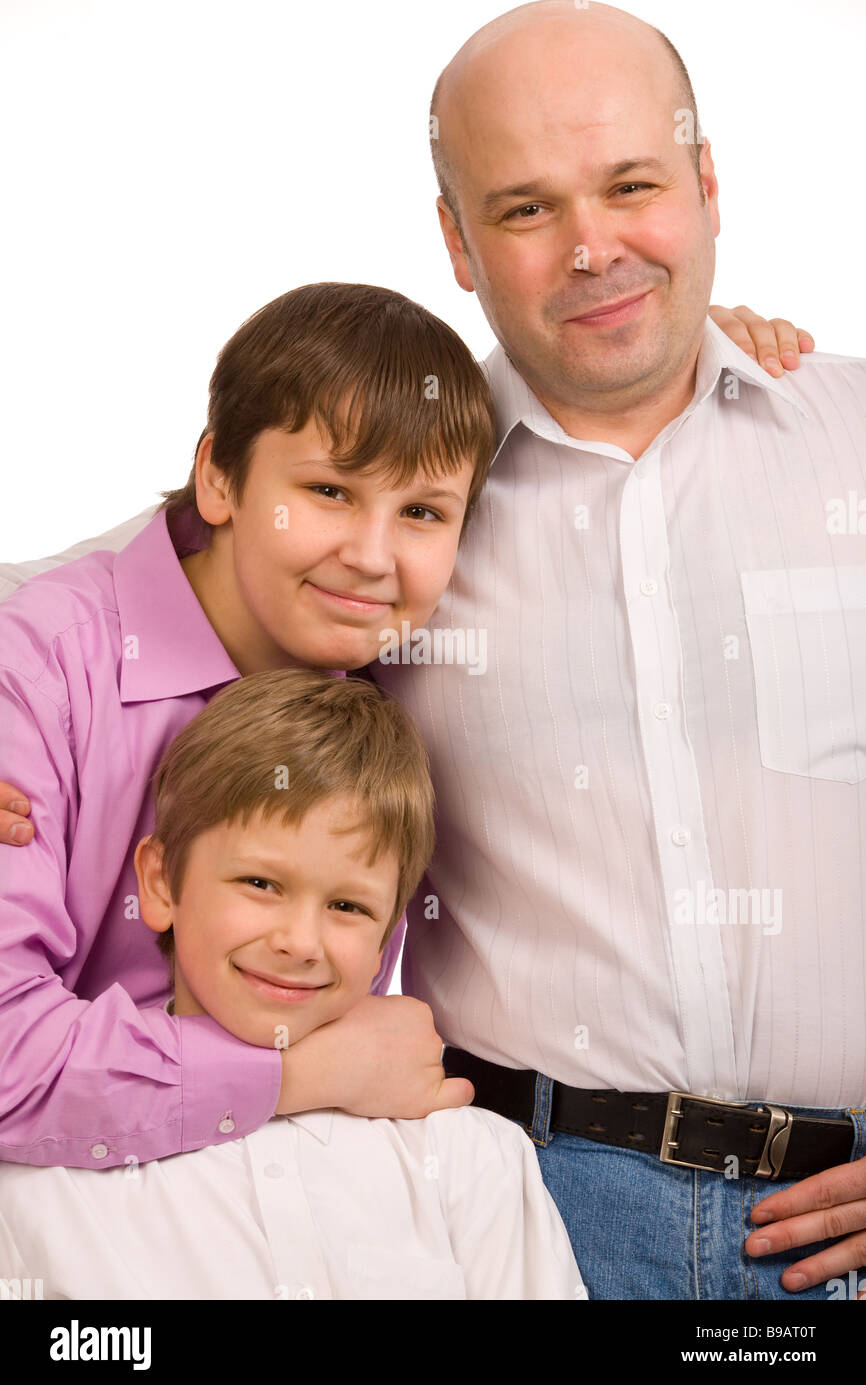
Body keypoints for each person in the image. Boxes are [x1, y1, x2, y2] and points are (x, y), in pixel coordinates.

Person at [0, 3, 839, 1301]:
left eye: (630, 187)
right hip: (456, 1196)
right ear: (455, 238)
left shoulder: (832, 443)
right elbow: (147, 572)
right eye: (523, 208)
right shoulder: (375, 501)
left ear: (704, 181)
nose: (592, 248)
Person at [0, 281, 485, 1171]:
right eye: (330, 491)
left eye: (421, 512)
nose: (373, 558)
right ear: (219, 476)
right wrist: (299, 1071)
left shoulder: (406, 681)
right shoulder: (40, 670)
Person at [0, 667, 582, 1299]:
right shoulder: (42, 1177)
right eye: (260, 884)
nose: (300, 943)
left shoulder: (474, 1159)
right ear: (163, 883)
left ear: (390, 931)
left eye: (348, 907)